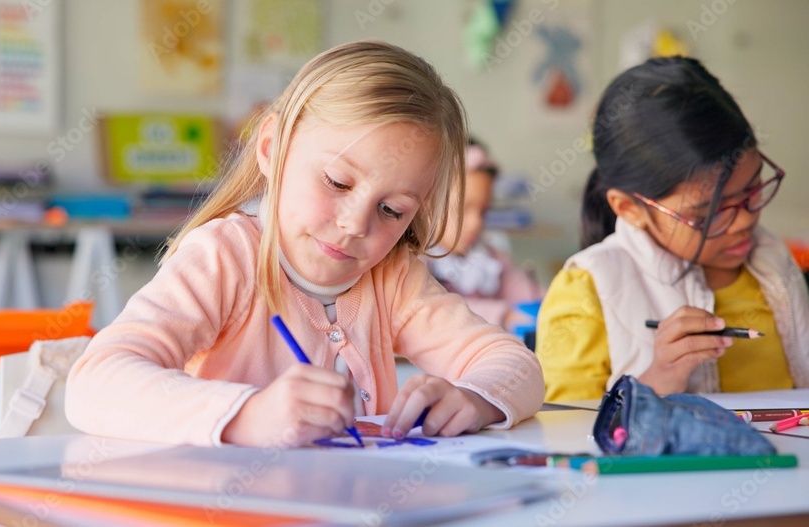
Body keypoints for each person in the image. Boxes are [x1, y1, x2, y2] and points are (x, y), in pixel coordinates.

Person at [66, 40, 544, 447]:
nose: (356, 224)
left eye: (392, 210)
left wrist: (475, 399)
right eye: (337, 182)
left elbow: (517, 366)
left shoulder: (393, 277)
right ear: (273, 148)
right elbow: (95, 383)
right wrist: (247, 415)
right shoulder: (224, 257)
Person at [536, 56, 809, 401]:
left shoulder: (772, 262)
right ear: (630, 209)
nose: (744, 222)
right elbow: (564, 435)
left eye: (752, 190)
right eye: (707, 214)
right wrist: (657, 380)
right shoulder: (588, 290)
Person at [428, 137, 544, 330]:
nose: (476, 222)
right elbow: (432, 308)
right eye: (463, 209)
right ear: (428, 203)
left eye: (484, 210)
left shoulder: (491, 257)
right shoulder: (416, 262)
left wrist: (559, 298)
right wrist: (504, 315)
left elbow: (526, 292)